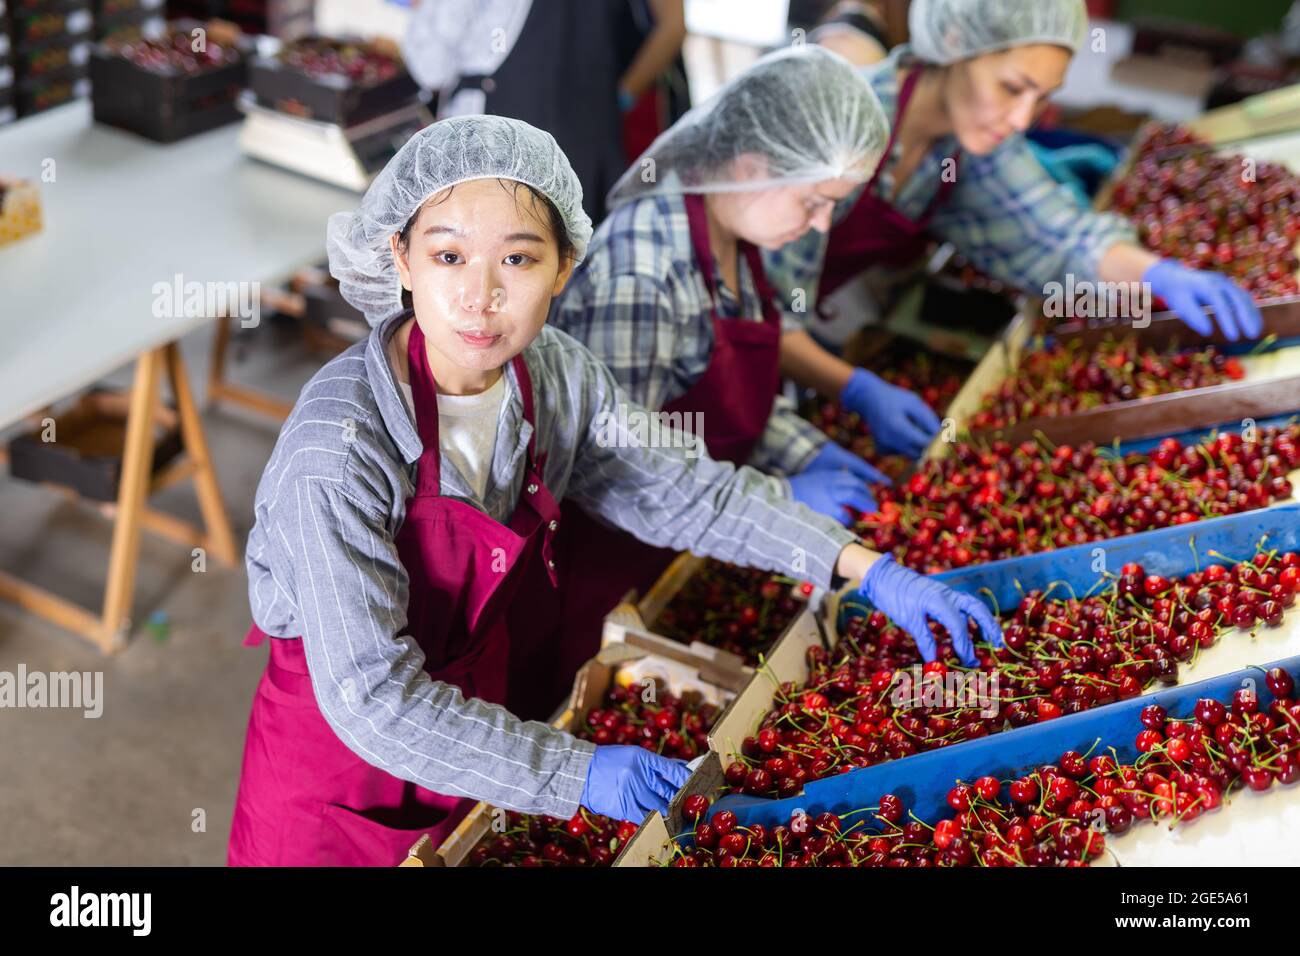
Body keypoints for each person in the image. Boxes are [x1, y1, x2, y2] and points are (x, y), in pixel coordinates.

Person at [227, 115, 1000, 865]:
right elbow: (372, 698)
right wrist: (578, 774)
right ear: (400, 259)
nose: (481, 296)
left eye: (519, 261)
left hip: (481, 735)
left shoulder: (555, 378)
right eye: (449, 257)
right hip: (335, 776)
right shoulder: (338, 449)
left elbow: (685, 489)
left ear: (566, 267)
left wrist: (862, 566)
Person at [540, 47, 947, 717]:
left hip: (699, 539)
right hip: (610, 573)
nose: (819, 226)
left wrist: (804, 450)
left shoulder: (736, 238)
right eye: (814, 202)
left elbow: (723, 392)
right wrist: (785, 495)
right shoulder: (646, 270)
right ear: (754, 166)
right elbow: (614, 472)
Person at [767, 0, 1264, 401]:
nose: (1023, 119)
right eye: (1012, 88)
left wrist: (1156, 273)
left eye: (1042, 97)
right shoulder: (837, 125)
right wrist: (853, 389)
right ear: (956, 44)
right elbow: (754, 307)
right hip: (722, 351)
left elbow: (1054, 237)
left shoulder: (963, 147)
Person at [401, 0, 686, 224]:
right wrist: (619, 98)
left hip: (501, 136)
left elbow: (431, 64)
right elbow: (673, 26)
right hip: (587, 134)